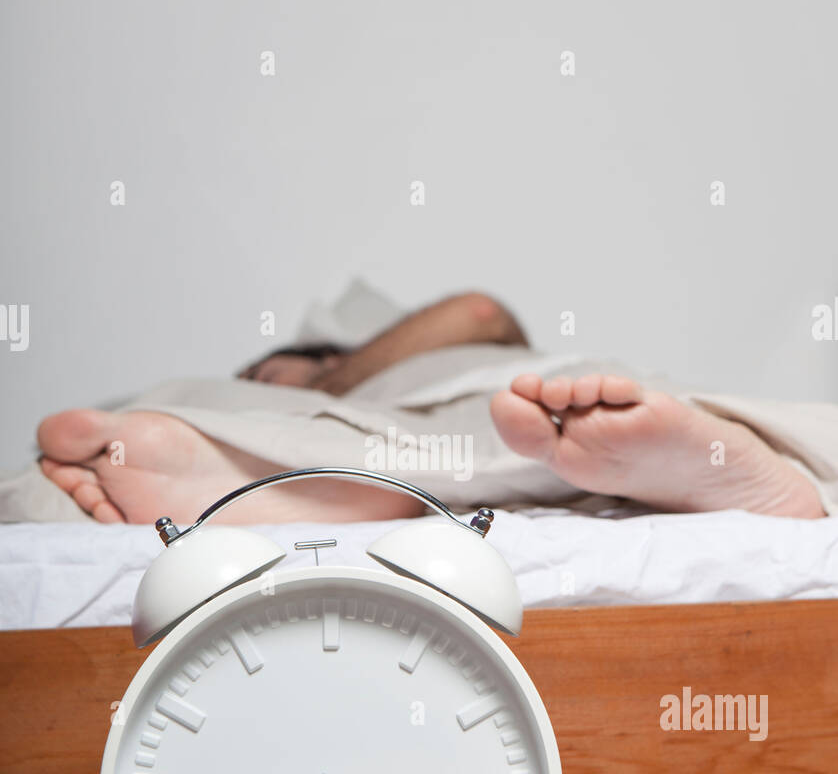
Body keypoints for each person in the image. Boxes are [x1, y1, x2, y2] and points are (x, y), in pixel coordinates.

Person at [31, 290, 831, 526]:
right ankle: (760, 481)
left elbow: (480, 313)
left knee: (557, 416)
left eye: (269, 370)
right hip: (532, 417)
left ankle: (330, 479)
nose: (261, 379)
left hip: (501, 395)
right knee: (564, 435)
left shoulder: (386, 358)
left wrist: (316, 389)